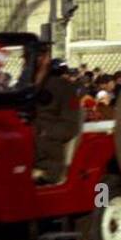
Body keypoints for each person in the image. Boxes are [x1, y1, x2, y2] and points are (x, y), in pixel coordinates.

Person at [31, 46, 83, 183]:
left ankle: (102, 199)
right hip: (19, 155)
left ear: (45, 59)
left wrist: (43, 132)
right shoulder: (24, 87)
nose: (27, 61)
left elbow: (71, 126)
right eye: (26, 57)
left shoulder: (64, 88)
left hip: (46, 161)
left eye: (36, 56)